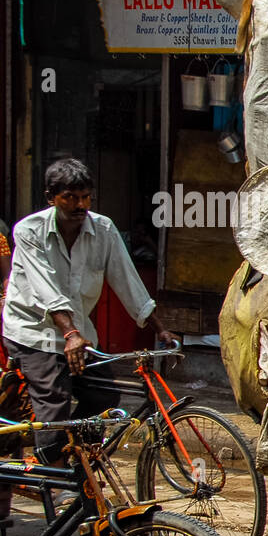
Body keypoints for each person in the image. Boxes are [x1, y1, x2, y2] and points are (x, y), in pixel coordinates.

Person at [2, 158, 176, 468]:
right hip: (33, 332)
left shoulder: (103, 229)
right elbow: (47, 288)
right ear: (51, 198)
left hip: (79, 334)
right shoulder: (29, 231)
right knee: (54, 406)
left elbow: (128, 280)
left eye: (85, 196)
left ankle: (76, 460)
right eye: (70, 197)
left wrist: (159, 327)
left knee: (104, 397)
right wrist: (69, 334)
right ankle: (53, 478)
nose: (79, 204)